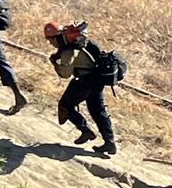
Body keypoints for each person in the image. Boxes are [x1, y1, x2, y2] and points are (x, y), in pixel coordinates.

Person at [45, 20, 118, 157]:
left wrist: (55, 63)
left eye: (50, 39)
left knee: (65, 105)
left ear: (56, 37)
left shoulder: (69, 50)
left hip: (85, 81)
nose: (50, 43)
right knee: (98, 111)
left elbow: (64, 74)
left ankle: (86, 131)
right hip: (97, 79)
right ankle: (110, 142)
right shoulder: (78, 42)